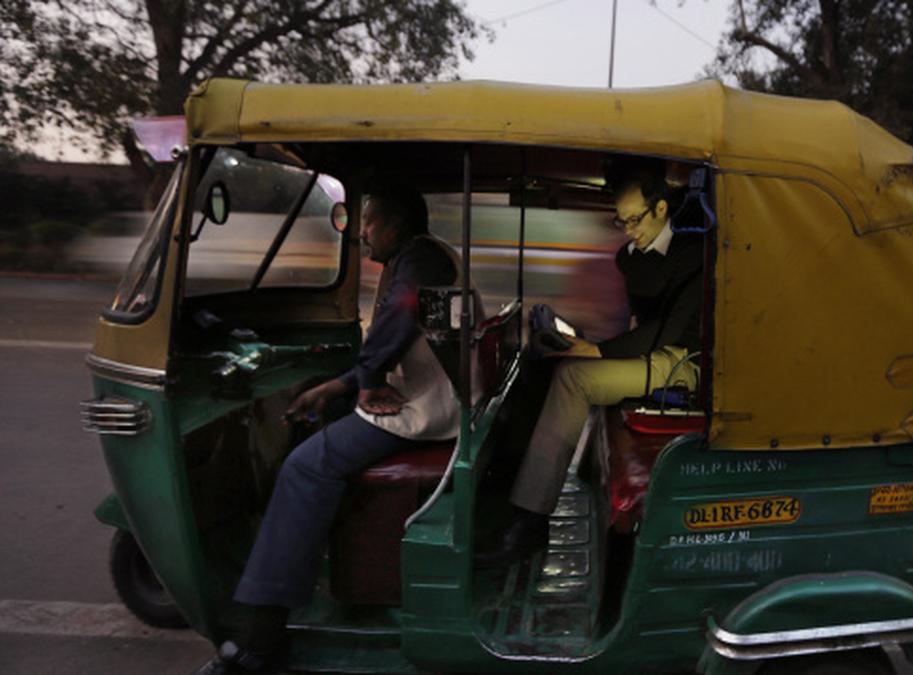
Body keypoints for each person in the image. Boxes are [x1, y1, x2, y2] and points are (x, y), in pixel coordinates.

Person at [194, 186, 463, 675]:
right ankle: (311, 556)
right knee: (317, 420)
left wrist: (370, 379)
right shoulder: (423, 256)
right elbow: (408, 338)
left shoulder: (421, 262)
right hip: (422, 398)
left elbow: (404, 313)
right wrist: (342, 385)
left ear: (396, 225)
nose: (361, 233)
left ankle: (260, 639)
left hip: (421, 413)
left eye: (370, 222)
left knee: (303, 468)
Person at [480, 159, 704, 564]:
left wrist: (596, 350)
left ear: (661, 209)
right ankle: (511, 481)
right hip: (655, 350)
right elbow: (640, 319)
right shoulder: (637, 254)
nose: (630, 231)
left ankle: (531, 520)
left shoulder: (695, 255)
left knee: (575, 378)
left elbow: (666, 333)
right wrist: (585, 341)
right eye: (622, 222)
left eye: (636, 219)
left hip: (686, 363)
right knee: (541, 359)